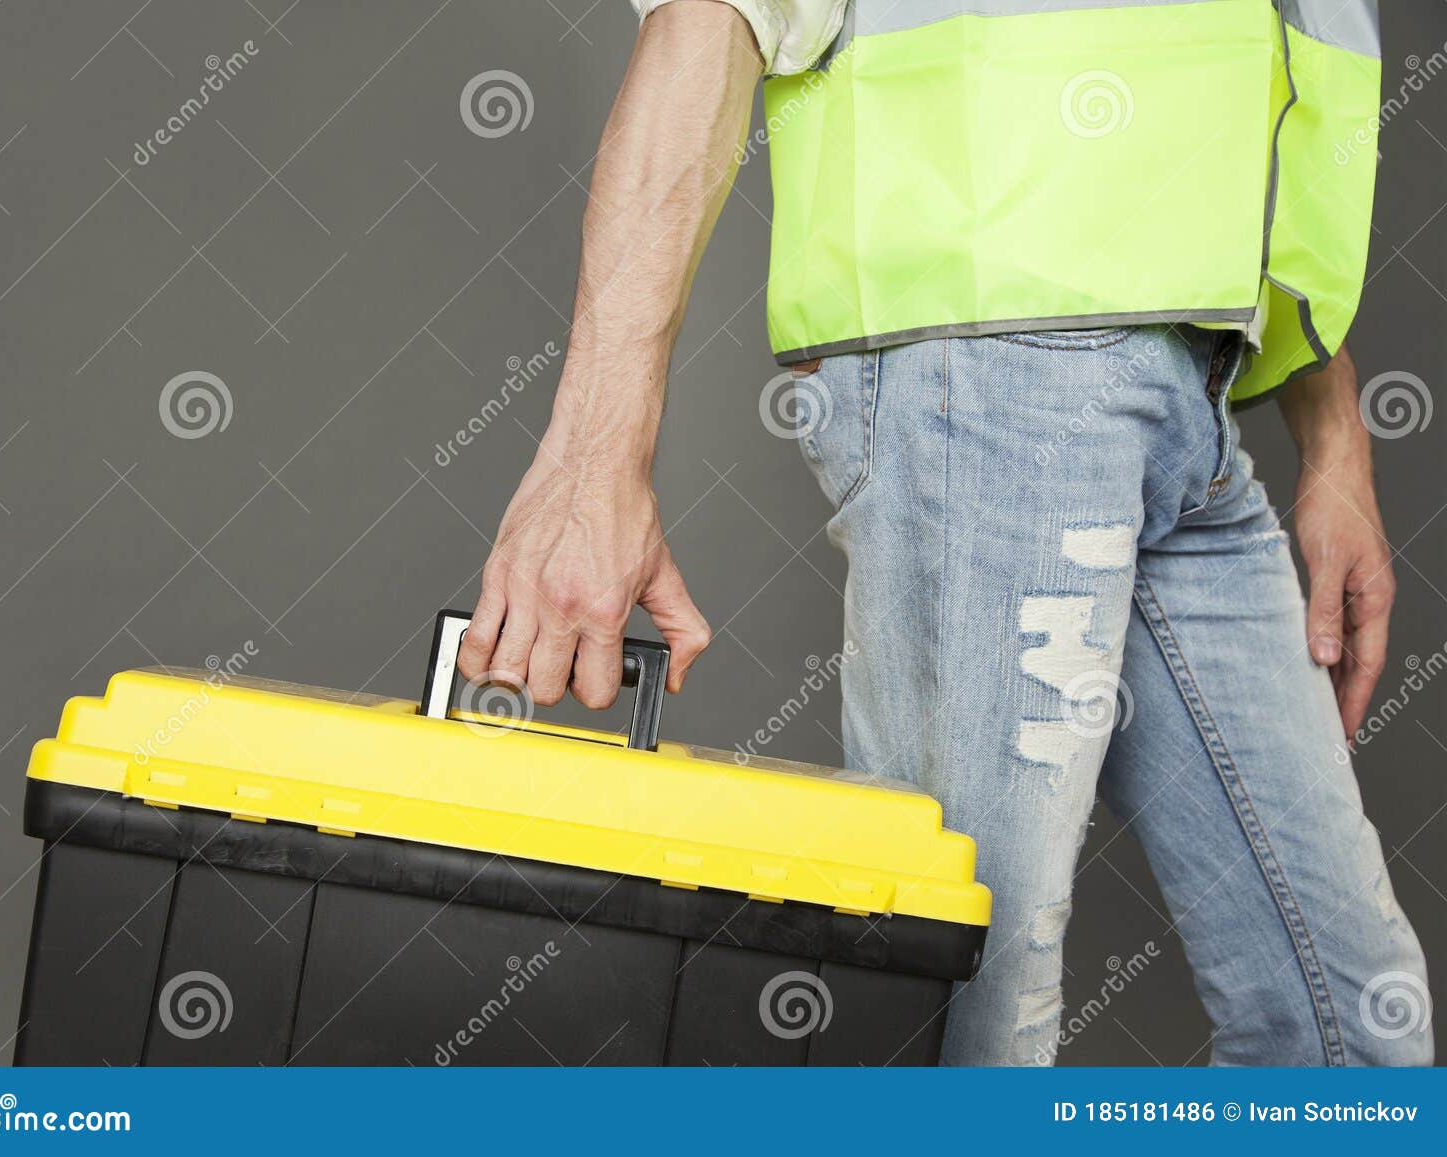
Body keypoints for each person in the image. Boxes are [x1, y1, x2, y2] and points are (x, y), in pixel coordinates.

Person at [455, 0, 1430, 1065]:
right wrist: (596, 459)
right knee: (966, 1018)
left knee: (1349, 1023)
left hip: (1197, 391)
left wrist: (1335, 446)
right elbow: (705, 16)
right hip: (991, 375)